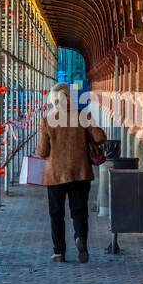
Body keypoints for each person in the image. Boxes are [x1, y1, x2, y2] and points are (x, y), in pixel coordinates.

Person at [35, 82, 105, 263]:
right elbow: (100, 137)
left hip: (56, 174)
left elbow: (42, 152)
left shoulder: (48, 120)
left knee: (56, 213)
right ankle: (80, 238)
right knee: (79, 211)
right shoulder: (83, 116)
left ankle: (59, 251)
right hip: (81, 172)